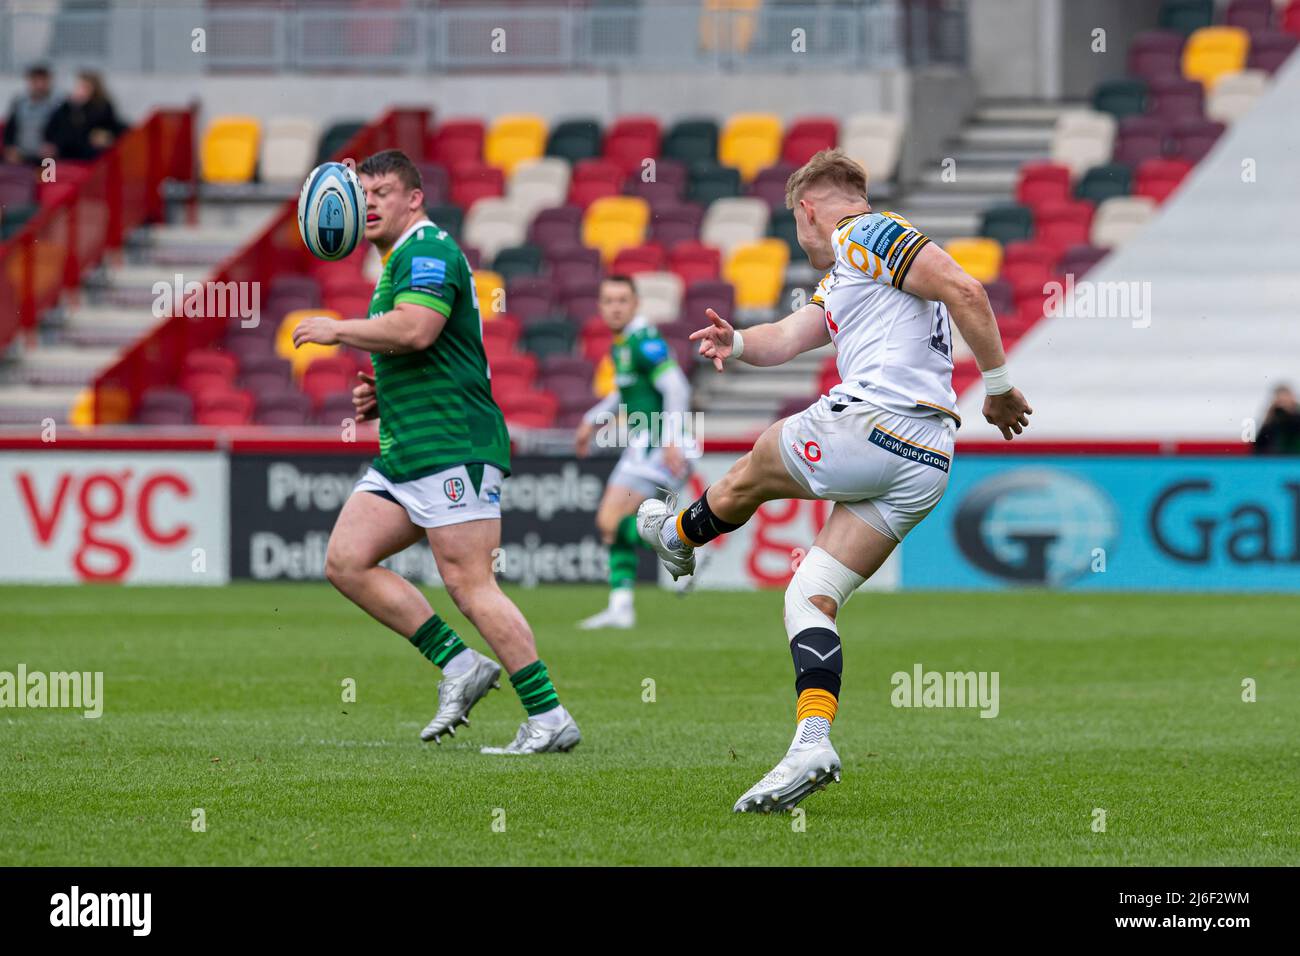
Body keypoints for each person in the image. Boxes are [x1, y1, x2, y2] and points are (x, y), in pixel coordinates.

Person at [636, 149, 1033, 812]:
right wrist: (736, 344)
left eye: (797, 222)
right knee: (809, 595)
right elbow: (789, 336)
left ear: (808, 209)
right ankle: (811, 742)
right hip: (926, 459)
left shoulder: (864, 233)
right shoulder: (856, 273)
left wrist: (997, 387)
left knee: (759, 460)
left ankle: (677, 533)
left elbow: (967, 289)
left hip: (878, 421)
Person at [292, 149, 580, 754]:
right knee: (346, 561)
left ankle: (549, 716)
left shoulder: (426, 250)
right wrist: (382, 393)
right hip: (407, 449)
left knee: (469, 584)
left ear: (415, 198)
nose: (368, 204)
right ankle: (459, 666)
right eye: (362, 194)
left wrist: (337, 329)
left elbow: (417, 329)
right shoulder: (398, 261)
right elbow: (419, 348)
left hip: (453, 444)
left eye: (383, 193)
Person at [574, 275, 693, 629]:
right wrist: (590, 420)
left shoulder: (644, 341)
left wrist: (672, 439)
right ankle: (622, 606)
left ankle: (679, 541)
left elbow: (677, 386)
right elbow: (622, 395)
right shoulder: (623, 344)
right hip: (646, 443)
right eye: (608, 300)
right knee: (610, 526)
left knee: (609, 522)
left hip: (658, 444)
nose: (615, 307)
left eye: (622, 300)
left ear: (636, 303)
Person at [43, 71, 124, 161]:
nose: (80, 90)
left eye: (85, 87)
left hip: (91, 156)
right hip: (66, 155)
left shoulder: (102, 107)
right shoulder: (66, 107)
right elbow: (52, 129)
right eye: (78, 87)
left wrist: (105, 137)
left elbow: (111, 129)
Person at [2, 64, 59, 165]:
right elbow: (9, 129)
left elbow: (63, 132)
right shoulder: (19, 103)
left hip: (45, 158)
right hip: (19, 156)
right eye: (36, 81)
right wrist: (10, 148)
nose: (39, 85)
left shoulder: (57, 105)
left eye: (43, 81)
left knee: (48, 177)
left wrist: (53, 146)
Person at [1254, 384, 1300, 455]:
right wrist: (1268, 420)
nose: (1284, 404)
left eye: (1286, 400)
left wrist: (1290, 413)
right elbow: (1258, 444)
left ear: (1292, 399)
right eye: (1280, 401)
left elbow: (1294, 428)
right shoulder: (1274, 417)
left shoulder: (1297, 414)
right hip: (1278, 457)